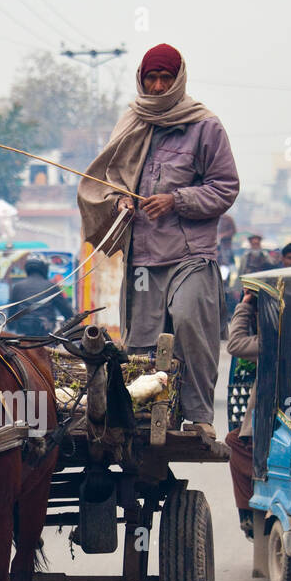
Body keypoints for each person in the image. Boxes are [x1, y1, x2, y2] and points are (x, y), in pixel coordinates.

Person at [77, 43, 240, 444]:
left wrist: (177, 199)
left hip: (190, 256)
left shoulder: (205, 126)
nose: (159, 84)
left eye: (166, 77)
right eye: (152, 77)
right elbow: (111, 180)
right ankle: (148, 412)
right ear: (141, 79)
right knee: (142, 343)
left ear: (179, 78)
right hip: (144, 259)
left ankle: (199, 416)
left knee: (189, 322)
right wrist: (120, 202)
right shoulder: (132, 122)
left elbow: (225, 187)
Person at [224, 288, 261, 536]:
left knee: (233, 441)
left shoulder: (271, 342)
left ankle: (247, 510)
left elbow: (234, 343)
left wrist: (245, 305)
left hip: (265, 427)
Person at [9, 255, 74, 336]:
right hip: (45, 332)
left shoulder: (17, 286)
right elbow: (67, 312)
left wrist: (11, 328)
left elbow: (11, 314)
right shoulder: (51, 286)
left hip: (22, 333)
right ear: (44, 268)